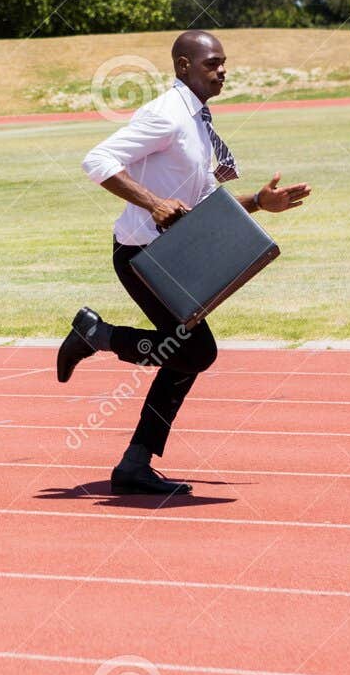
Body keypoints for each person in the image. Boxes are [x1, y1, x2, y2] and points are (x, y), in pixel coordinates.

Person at [56, 30, 312, 495]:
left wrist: (259, 201)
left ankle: (134, 462)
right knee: (196, 352)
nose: (222, 70)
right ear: (183, 67)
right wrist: (152, 202)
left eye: (223, 62)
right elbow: (98, 160)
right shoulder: (166, 115)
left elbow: (204, 202)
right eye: (212, 63)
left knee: (188, 356)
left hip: (179, 255)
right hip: (141, 255)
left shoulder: (198, 121)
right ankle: (97, 335)